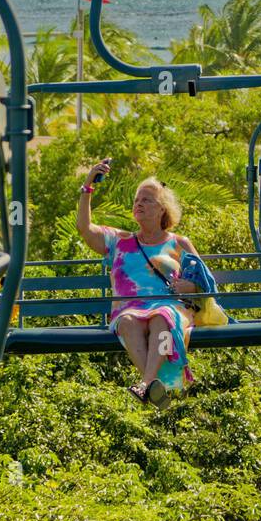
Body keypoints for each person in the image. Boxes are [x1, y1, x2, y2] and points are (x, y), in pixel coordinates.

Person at [76, 160, 201, 407]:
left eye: (146, 200)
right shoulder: (120, 241)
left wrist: (189, 287)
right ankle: (152, 385)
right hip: (129, 308)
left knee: (162, 318)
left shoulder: (179, 243)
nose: (139, 204)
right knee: (127, 322)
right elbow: (84, 228)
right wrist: (88, 186)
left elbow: (202, 281)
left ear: (162, 209)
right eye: (137, 200)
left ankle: (145, 384)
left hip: (169, 308)